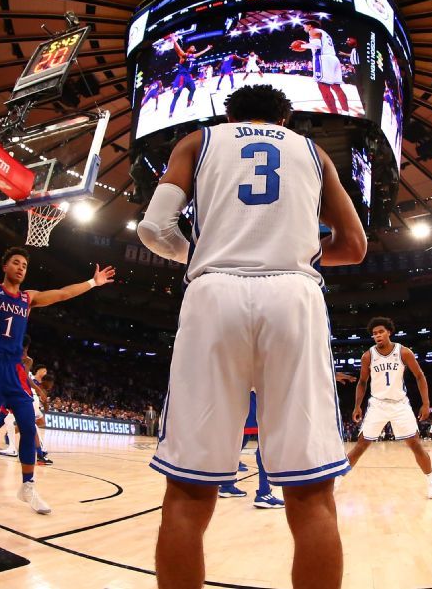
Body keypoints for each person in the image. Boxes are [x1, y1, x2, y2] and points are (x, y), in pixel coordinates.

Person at [136, 83, 366, 588]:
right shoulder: (313, 153)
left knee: (188, 493)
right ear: (284, 120)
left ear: (228, 113)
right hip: (294, 295)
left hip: (214, 293)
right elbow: (353, 245)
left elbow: (154, 227)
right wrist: (292, 251)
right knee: (311, 495)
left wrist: (200, 253)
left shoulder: (197, 143)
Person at [0, 198, 116, 514]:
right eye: (16, 263)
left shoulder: (30, 299)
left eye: (25, 265)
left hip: (14, 370)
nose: (21, 267)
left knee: (29, 425)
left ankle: (28, 487)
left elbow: (63, 293)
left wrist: (92, 282)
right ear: (5, 266)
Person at [344, 317, 432, 498]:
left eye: (380, 332)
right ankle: (336, 482)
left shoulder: (403, 352)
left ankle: (431, 482)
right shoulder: (368, 356)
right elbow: (363, 382)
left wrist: (426, 403)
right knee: (361, 445)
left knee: (415, 445)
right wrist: (357, 406)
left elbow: (419, 376)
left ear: (389, 332)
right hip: (377, 404)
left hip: (399, 404)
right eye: (374, 334)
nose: (377, 335)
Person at [218, 391, 284, 508]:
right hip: (253, 394)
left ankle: (226, 485)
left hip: (245, 395)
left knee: (244, 437)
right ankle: (264, 493)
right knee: (264, 439)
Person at [290, 20, 348, 114]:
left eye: (304, 26)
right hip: (333, 59)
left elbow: (317, 45)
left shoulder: (313, 31)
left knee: (323, 87)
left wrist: (301, 45)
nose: (304, 28)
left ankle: (335, 115)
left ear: (309, 26)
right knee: (337, 88)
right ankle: (346, 113)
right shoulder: (325, 33)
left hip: (323, 59)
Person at [169, 34, 213, 116]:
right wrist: (174, 40)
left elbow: (200, 53)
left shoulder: (193, 56)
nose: (193, 48)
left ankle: (189, 103)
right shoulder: (184, 56)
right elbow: (178, 49)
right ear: (188, 48)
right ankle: (171, 112)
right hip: (181, 76)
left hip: (188, 77)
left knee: (193, 88)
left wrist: (207, 48)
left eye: (194, 47)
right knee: (176, 95)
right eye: (192, 47)